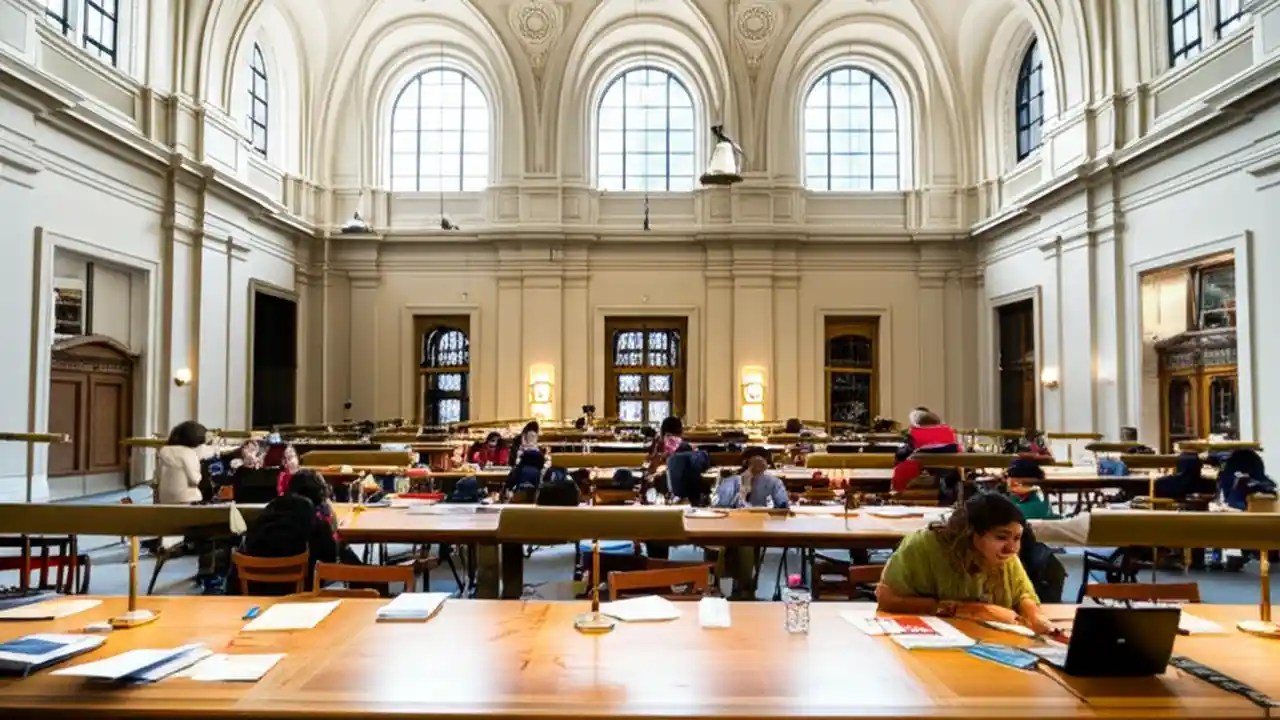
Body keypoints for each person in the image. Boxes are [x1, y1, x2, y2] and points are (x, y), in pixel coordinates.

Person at [876, 493, 1057, 633]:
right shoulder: (924, 547)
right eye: (1001, 537)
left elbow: (1022, 594)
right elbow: (887, 599)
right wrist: (967, 610)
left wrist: (1033, 615)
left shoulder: (1004, 558)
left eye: (1017, 538)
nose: (1012, 548)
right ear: (970, 533)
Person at [714, 447, 789, 509]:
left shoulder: (775, 482)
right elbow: (721, 505)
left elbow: (783, 505)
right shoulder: (732, 482)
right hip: (743, 521)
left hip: (754, 520)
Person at [156, 421, 210, 504]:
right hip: (187, 498)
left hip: (165, 498)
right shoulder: (189, 453)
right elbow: (194, 480)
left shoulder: (163, 451)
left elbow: (159, 475)